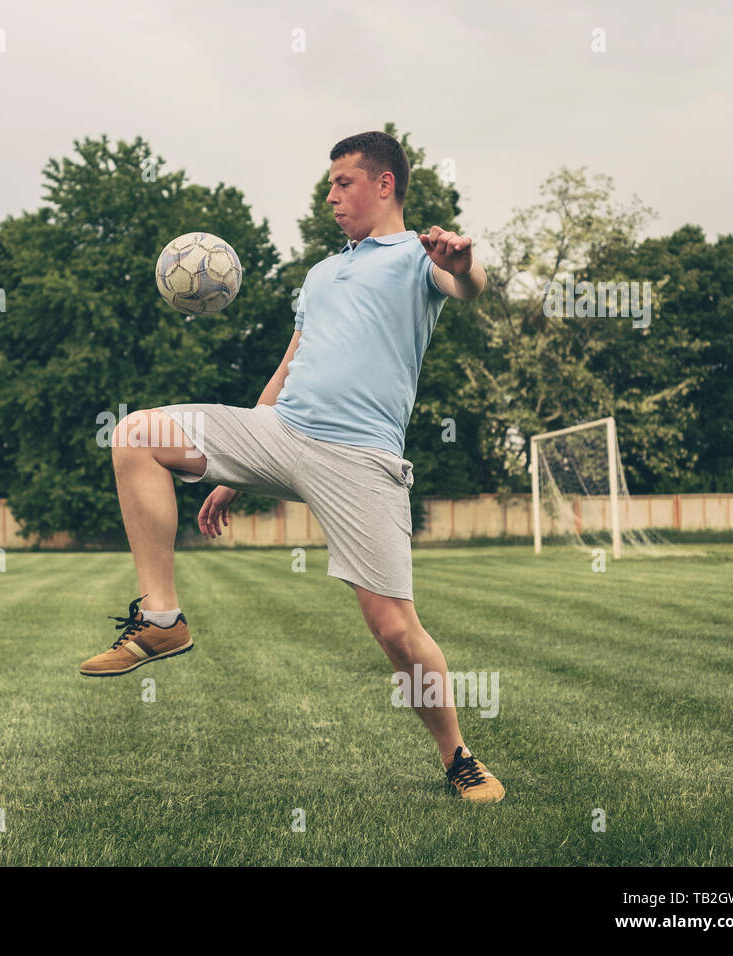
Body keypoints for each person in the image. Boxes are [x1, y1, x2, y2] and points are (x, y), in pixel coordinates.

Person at [79, 130, 505, 804]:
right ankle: (163, 621)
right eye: (330, 183)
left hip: (359, 459)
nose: (330, 195)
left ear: (384, 184)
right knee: (135, 434)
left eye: (343, 182)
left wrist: (465, 259)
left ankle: (458, 757)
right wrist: (231, 470)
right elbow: (288, 366)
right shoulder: (322, 273)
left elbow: (468, 285)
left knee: (394, 628)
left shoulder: (415, 258)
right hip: (281, 430)